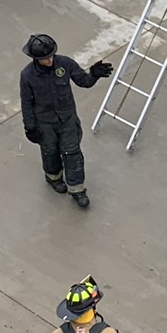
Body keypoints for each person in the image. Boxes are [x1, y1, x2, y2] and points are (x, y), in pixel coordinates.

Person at [20, 33, 114, 209]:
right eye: (44, 59)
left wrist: (94, 74)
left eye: (50, 56)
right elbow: (26, 102)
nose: (49, 61)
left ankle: (78, 190)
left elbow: (83, 81)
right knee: (50, 151)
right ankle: (53, 178)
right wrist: (30, 127)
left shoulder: (65, 63)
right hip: (45, 123)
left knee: (72, 153)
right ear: (35, 58)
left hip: (67, 119)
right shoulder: (27, 76)